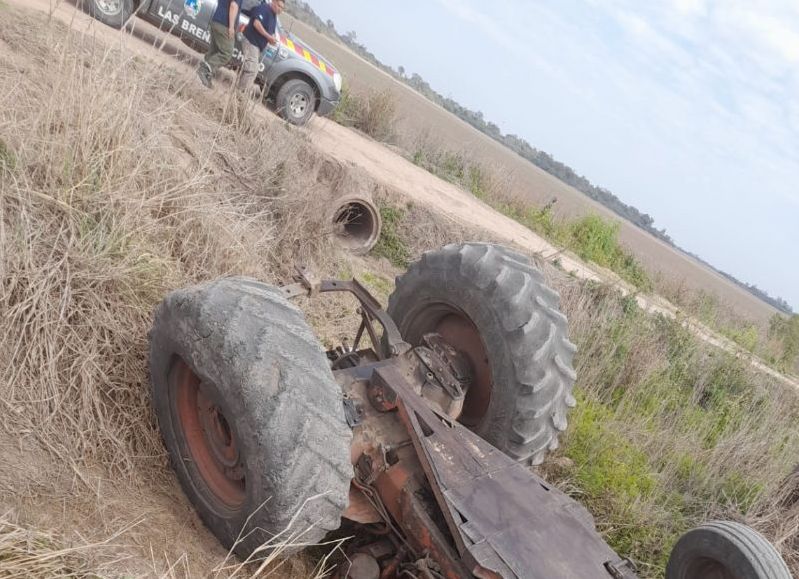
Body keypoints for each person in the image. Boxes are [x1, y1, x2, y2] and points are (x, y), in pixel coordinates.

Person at [237, 0, 284, 96]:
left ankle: (238, 91)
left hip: (257, 46)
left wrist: (272, 38)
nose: (280, 9)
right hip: (251, 42)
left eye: (282, 8)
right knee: (251, 70)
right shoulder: (264, 9)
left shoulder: (274, 15)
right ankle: (240, 94)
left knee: (249, 70)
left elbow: (269, 30)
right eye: (279, 6)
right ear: (273, 2)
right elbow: (256, 23)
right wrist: (268, 37)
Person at [197, 0, 242, 88]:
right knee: (226, 54)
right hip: (224, 25)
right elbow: (233, 5)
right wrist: (231, 27)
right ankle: (204, 70)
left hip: (216, 20)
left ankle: (205, 77)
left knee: (214, 51)